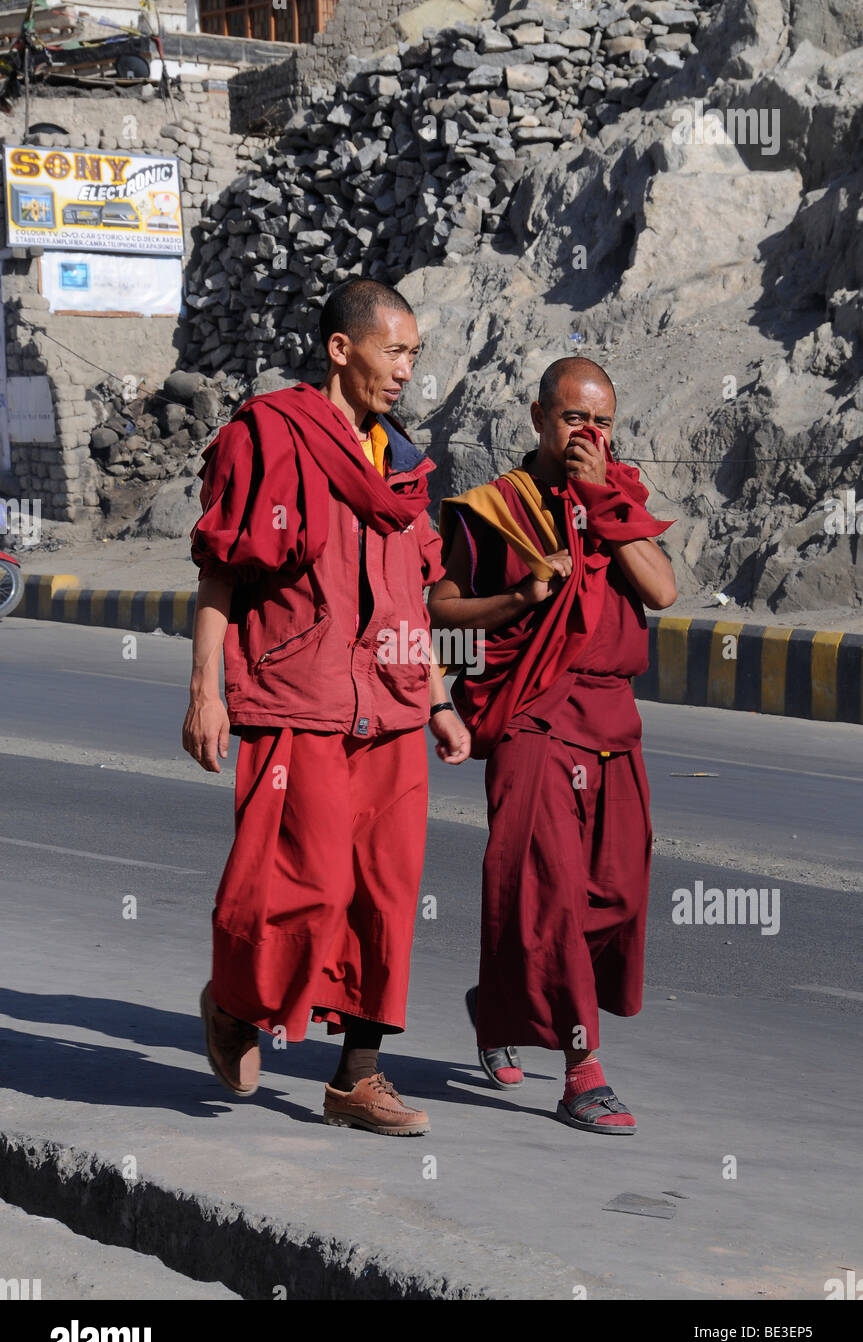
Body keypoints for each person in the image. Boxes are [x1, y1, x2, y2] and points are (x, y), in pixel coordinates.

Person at [183, 278, 469, 1137]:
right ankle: (235, 1003)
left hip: (392, 707)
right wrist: (208, 691)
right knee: (292, 890)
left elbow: (417, 596)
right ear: (341, 349)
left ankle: (357, 1078)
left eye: (414, 354)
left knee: (385, 895)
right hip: (295, 697)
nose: (406, 370)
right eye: (393, 351)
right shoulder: (266, 435)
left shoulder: (404, 465)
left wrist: (444, 697)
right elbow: (220, 568)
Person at [429, 357, 676, 1134]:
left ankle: (498, 1001)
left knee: (616, 894)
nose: (587, 434)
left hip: (610, 718)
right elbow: (441, 610)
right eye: (573, 419)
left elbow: (661, 590)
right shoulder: (491, 509)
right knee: (548, 895)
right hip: (531, 716)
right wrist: (521, 595)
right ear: (539, 417)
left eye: (600, 421)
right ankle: (582, 1074)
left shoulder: (619, 492)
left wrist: (603, 497)